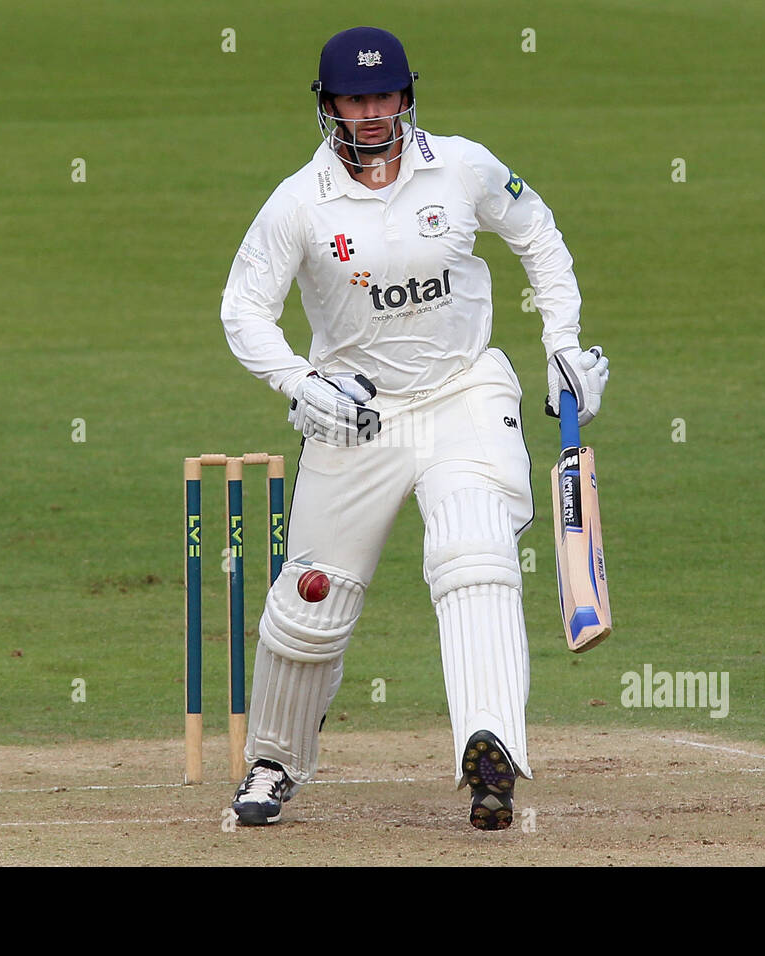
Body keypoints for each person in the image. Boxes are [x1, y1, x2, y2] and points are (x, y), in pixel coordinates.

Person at [218, 25, 608, 830]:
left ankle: (490, 752)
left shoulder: (462, 165)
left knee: (476, 551)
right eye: (356, 99)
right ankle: (273, 763)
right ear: (328, 106)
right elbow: (244, 310)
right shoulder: (298, 203)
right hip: (357, 413)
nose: (372, 113)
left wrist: (562, 343)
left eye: (385, 95)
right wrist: (301, 380)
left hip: (465, 391)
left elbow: (537, 233)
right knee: (312, 599)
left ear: (407, 95)